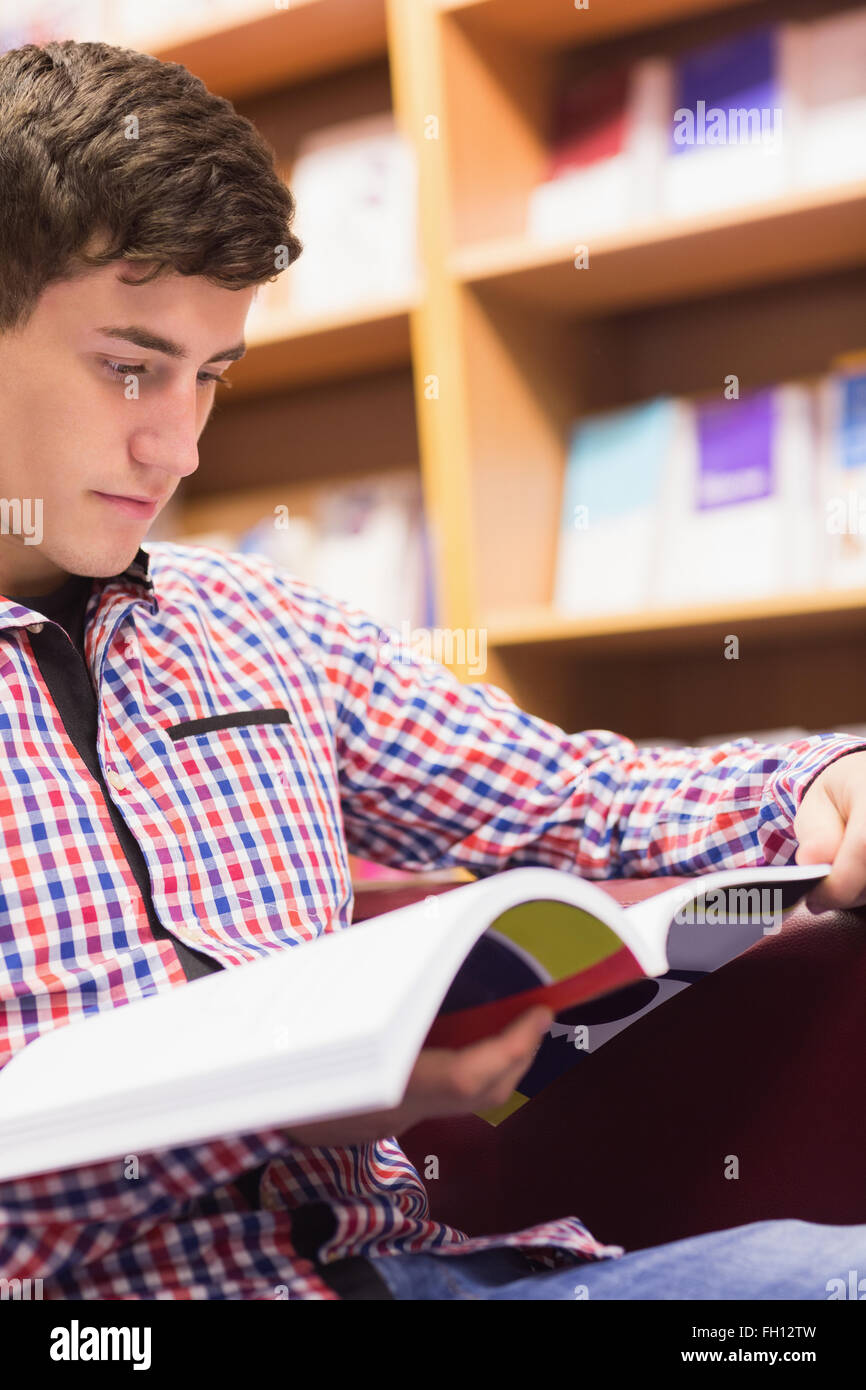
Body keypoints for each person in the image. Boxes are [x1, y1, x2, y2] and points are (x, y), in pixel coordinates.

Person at [0, 37, 864, 1303]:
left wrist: (825, 786)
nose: (175, 445)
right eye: (130, 368)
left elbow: (582, 798)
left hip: (425, 1282)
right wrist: (269, 1117)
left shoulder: (260, 625)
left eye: (213, 379)